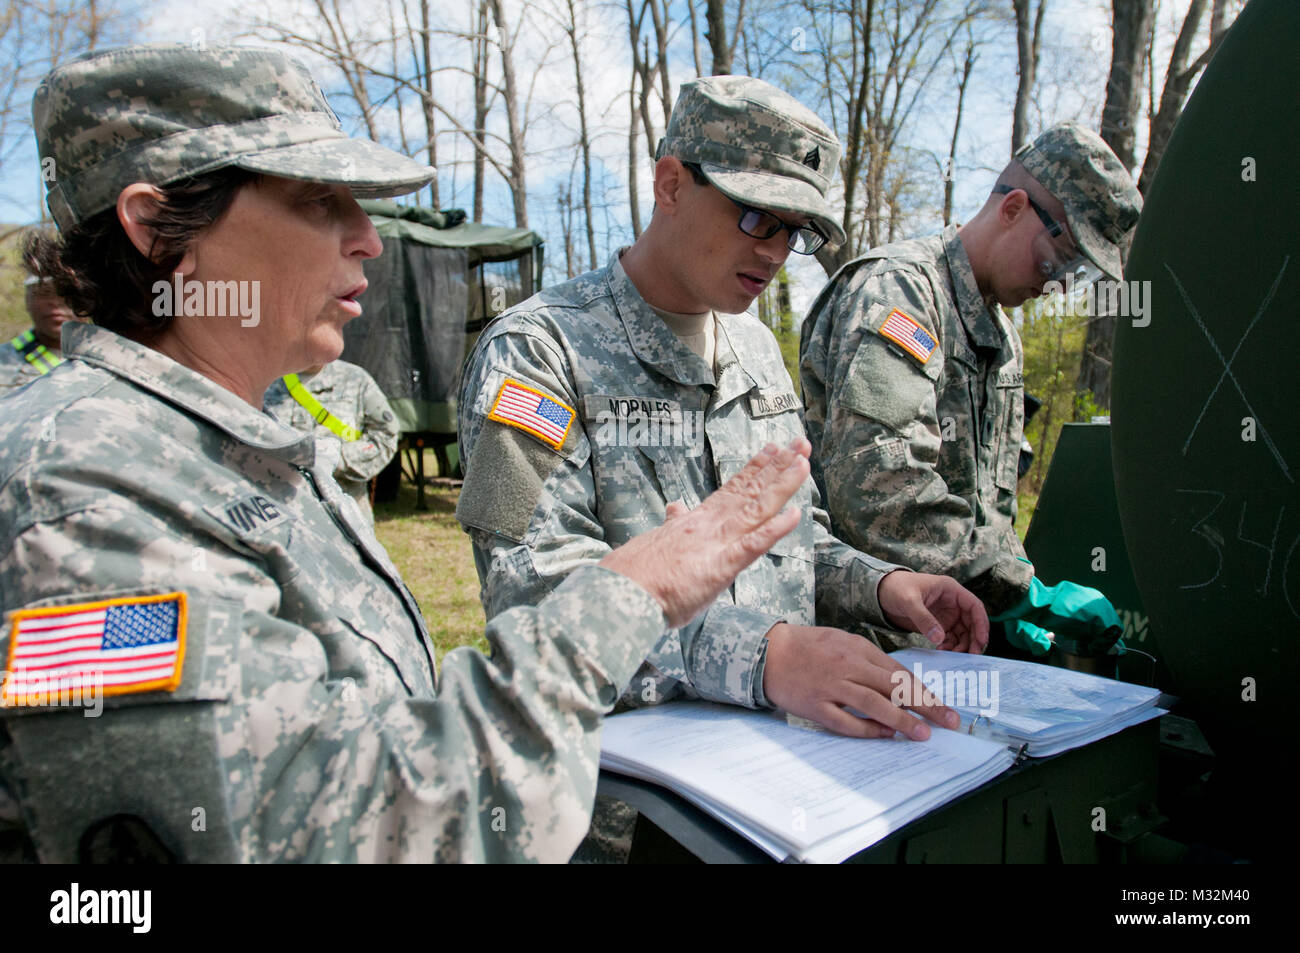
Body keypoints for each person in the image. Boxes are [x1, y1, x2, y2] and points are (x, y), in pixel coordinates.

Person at [0, 44, 837, 864]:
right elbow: (312, 826)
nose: (367, 238)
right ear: (155, 230)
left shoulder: (248, 452)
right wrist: (637, 593)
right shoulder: (81, 489)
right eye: (321, 200)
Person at [457, 75, 987, 745]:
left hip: (783, 773)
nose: (772, 251)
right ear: (672, 184)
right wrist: (765, 657)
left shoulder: (759, 349)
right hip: (626, 806)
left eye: (792, 231)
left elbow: (792, 542)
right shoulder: (531, 352)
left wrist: (882, 586)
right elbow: (528, 591)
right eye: (755, 216)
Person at [799, 123, 1143, 656]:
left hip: (953, 647)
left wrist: (1005, 607)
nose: (1062, 283)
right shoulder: (900, 292)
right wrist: (1021, 590)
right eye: (1065, 257)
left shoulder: (1002, 337)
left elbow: (991, 506)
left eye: (1079, 273)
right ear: (1014, 209)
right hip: (865, 644)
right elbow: (879, 489)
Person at [263, 359, 399, 526]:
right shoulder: (266, 378)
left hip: (345, 520)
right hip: (283, 517)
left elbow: (386, 434)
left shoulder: (355, 379)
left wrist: (334, 459)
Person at [0, 232, 83, 395]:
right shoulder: (5, 364)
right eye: (43, 292)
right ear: (27, 300)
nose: (55, 302)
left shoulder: (113, 359)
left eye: (65, 293)